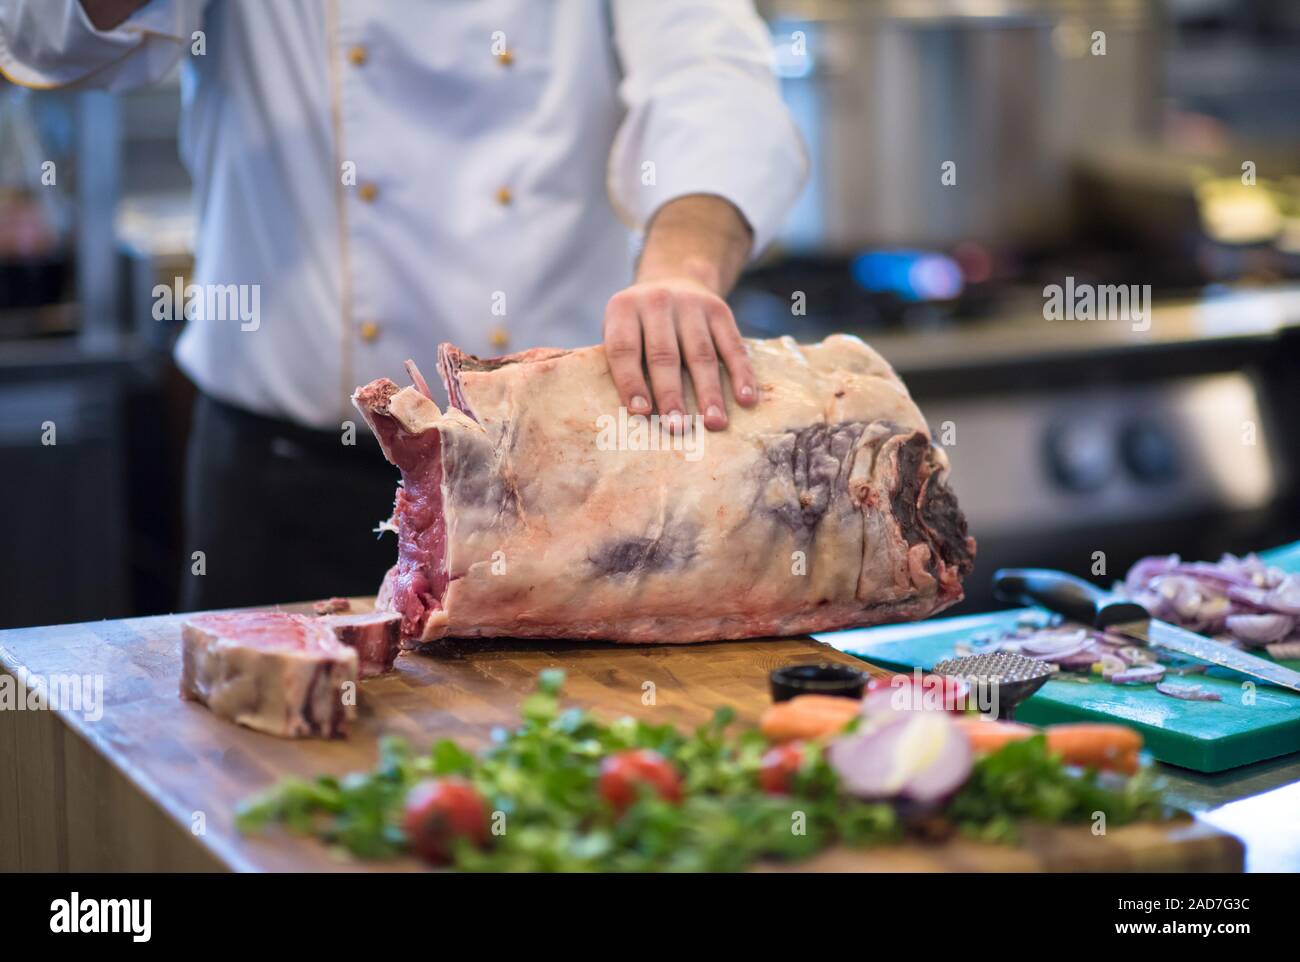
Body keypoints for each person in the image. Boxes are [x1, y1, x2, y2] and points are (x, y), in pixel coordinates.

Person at [0, 0, 807, 609]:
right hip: (281, 483)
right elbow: (49, 35)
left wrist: (684, 264)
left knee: (566, 790)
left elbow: (710, 73)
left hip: (557, 483)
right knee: (263, 795)